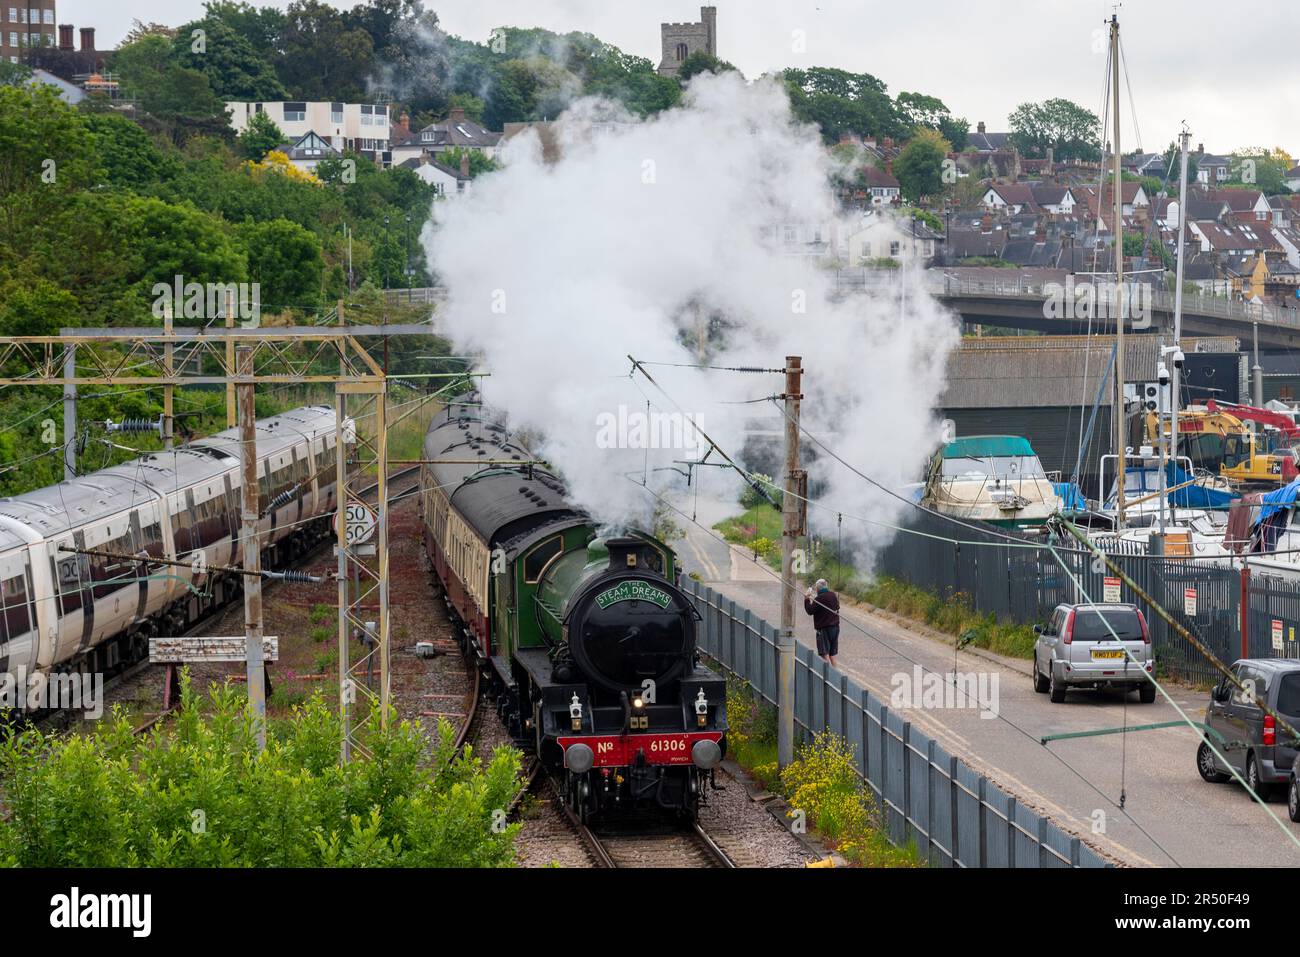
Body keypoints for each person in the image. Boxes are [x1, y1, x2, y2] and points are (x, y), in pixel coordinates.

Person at [803, 578, 840, 667]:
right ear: (826, 586)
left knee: (824, 654)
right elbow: (837, 607)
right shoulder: (833, 595)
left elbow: (810, 611)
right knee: (832, 654)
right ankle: (835, 675)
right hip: (835, 628)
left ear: (818, 588)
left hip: (824, 629)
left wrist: (806, 599)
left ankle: (828, 675)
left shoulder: (819, 599)